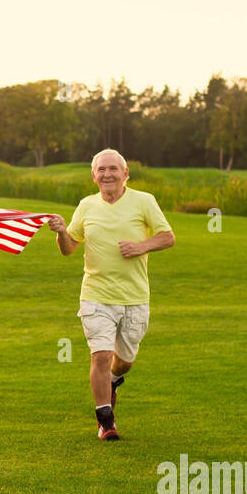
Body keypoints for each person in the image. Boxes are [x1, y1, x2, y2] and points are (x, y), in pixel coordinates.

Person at [46, 148, 175, 441]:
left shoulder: (144, 201)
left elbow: (168, 237)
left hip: (134, 298)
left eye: (113, 169)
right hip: (95, 296)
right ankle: (106, 421)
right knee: (101, 356)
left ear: (125, 174)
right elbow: (69, 249)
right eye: (101, 169)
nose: (107, 174)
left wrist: (141, 247)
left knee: (124, 360)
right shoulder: (87, 206)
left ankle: (114, 382)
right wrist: (61, 232)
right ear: (94, 176)